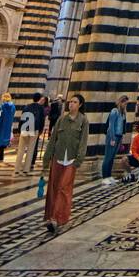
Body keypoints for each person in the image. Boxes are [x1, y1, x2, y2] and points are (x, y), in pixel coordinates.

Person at [42, 94, 89, 233]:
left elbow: (83, 141)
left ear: (80, 105)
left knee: (64, 188)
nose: (71, 104)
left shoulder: (83, 121)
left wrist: (79, 159)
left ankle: (57, 218)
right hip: (58, 156)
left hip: (71, 159)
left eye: (75, 102)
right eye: (71, 102)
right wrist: (46, 159)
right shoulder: (62, 119)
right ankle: (51, 216)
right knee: (54, 187)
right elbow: (53, 139)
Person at [16, 93, 46, 174]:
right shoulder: (40, 108)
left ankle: (17, 169)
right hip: (34, 129)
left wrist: (19, 129)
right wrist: (40, 130)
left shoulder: (27, 106)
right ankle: (26, 169)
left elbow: (22, 118)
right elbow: (42, 120)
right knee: (30, 150)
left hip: (24, 129)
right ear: (39, 99)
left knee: (21, 149)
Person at [101, 95, 128, 179]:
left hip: (119, 137)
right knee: (108, 157)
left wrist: (121, 139)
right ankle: (105, 177)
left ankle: (109, 176)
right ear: (121, 102)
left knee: (112, 157)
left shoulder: (122, 113)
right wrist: (112, 138)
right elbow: (111, 126)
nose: (125, 105)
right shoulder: (114, 111)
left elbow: (122, 127)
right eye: (125, 103)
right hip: (112, 137)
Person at [0, 92, 16, 163]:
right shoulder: (13, 107)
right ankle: (1, 155)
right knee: (4, 140)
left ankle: (0, 156)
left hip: (1, 125)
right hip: (8, 125)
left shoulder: (2, 106)